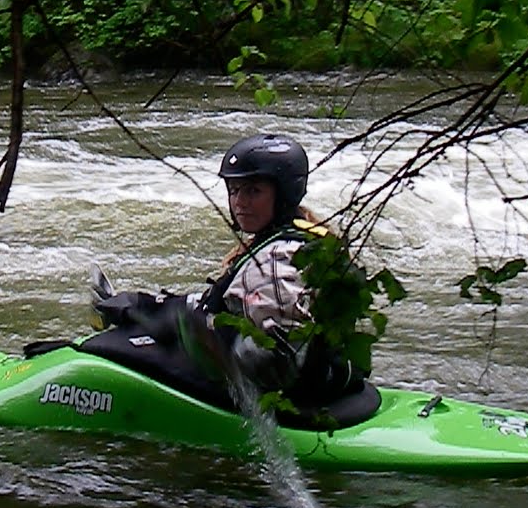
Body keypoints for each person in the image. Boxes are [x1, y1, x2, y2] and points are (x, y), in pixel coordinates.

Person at [88, 133, 365, 418]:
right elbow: (228, 306)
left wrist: (197, 335)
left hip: (294, 397)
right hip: (327, 378)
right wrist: (146, 305)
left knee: (105, 350)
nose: (240, 202)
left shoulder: (278, 262)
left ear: (283, 193)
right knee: (151, 321)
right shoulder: (303, 237)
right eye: (234, 190)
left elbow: (275, 362)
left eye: (253, 191)